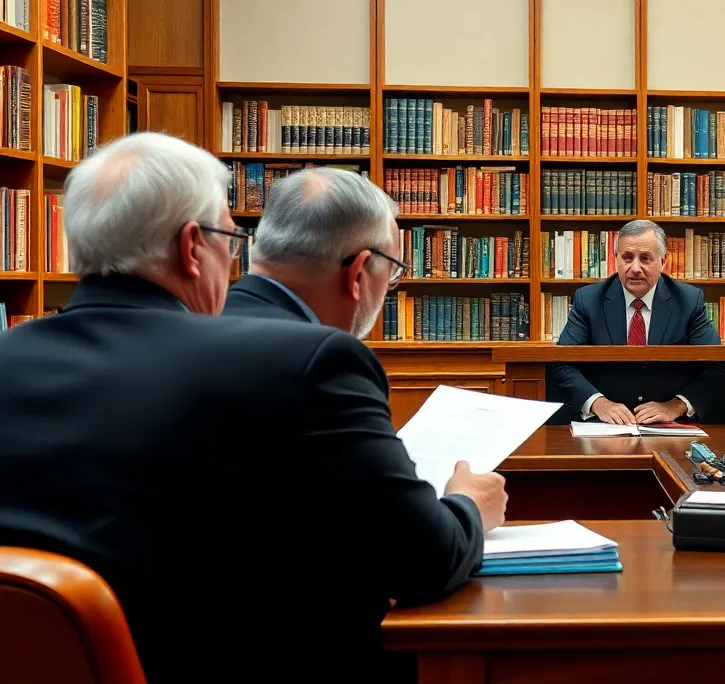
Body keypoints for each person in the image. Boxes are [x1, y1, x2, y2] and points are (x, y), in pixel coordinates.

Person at [0, 133, 507, 684]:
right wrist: (468, 507)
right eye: (228, 236)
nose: (235, 258)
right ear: (192, 247)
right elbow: (422, 562)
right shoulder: (304, 360)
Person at [548, 219, 725, 425]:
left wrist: (676, 405)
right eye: (627, 257)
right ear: (615, 258)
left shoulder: (688, 301)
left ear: (663, 261)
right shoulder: (588, 300)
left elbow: (719, 365)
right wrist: (598, 403)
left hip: (667, 425)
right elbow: (560, 363)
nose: (635, 268)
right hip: (603, 424)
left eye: (645, 258)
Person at [224, 166, 407, 336]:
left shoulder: (201, 322)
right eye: (392, 270)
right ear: (358, 274)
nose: (390, 286)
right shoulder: (329, 357)